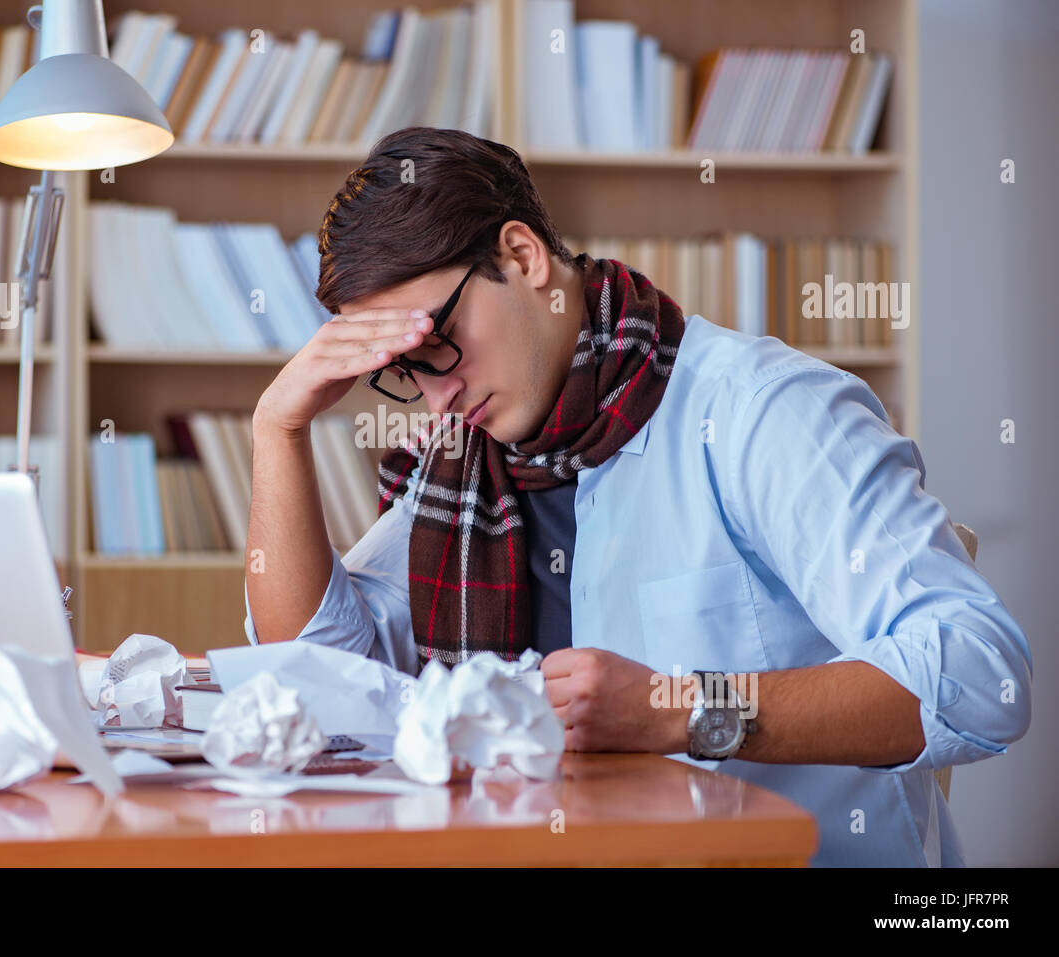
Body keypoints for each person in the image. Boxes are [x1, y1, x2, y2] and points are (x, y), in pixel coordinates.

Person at [242, 126, 1031, 866]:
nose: (437, 396)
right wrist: (277, 428)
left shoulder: (762, 410)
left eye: (436, 345)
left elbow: (980, 673)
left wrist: (679, 708)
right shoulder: (464, 463)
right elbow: (322, 677)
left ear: (521, 256)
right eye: (403, 372)